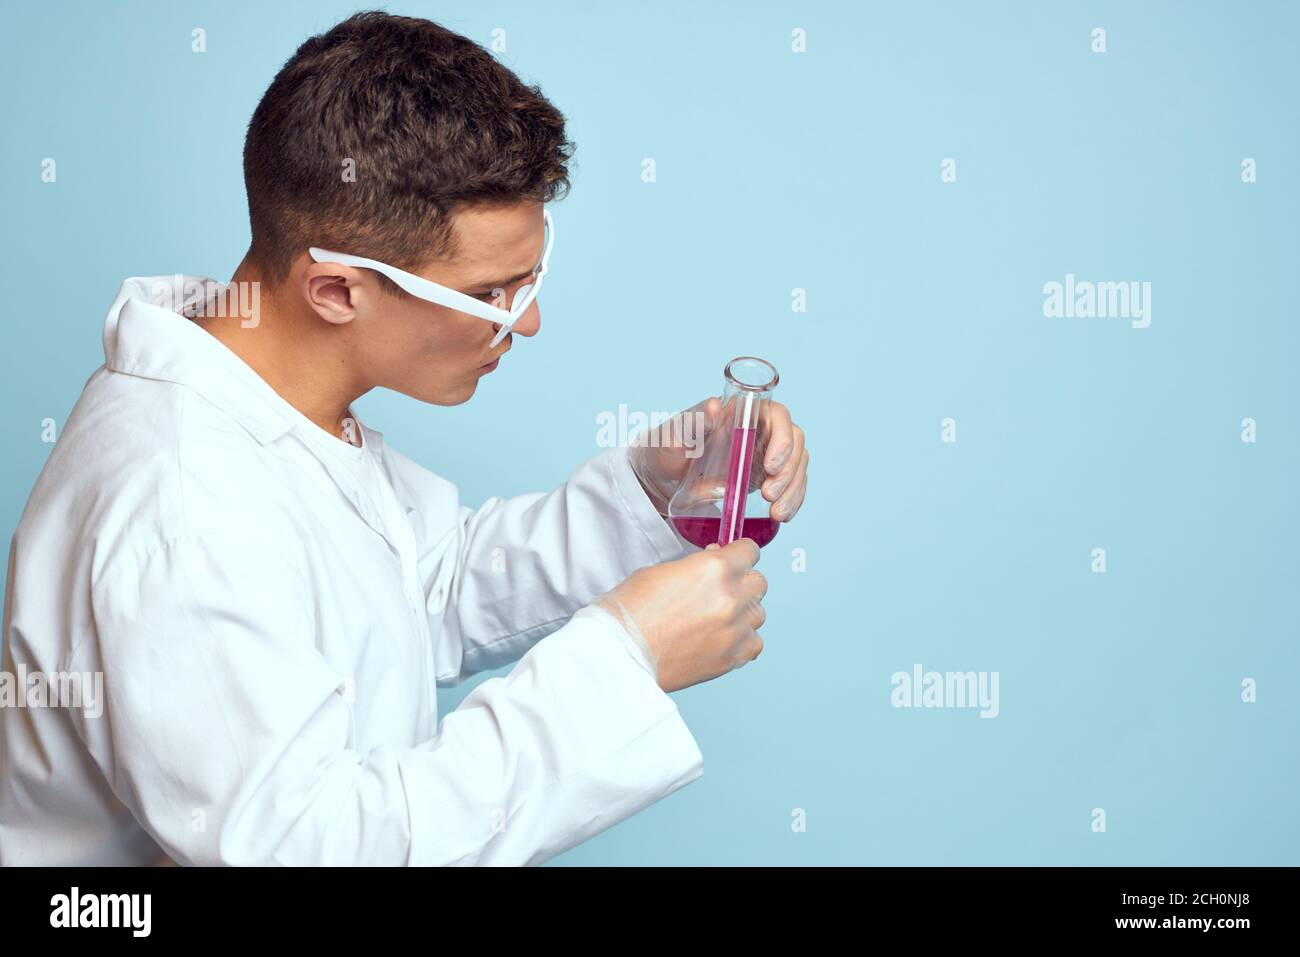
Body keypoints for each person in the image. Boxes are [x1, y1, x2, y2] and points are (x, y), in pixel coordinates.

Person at [0, 11, 809, 866]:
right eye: (490, 294)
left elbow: (414, 589)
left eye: (530, 279)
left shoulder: (262, 394)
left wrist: (653, 486)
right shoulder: (183, 503)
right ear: (338, 291)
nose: (526, 322)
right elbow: (308, 847)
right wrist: (620, 661)